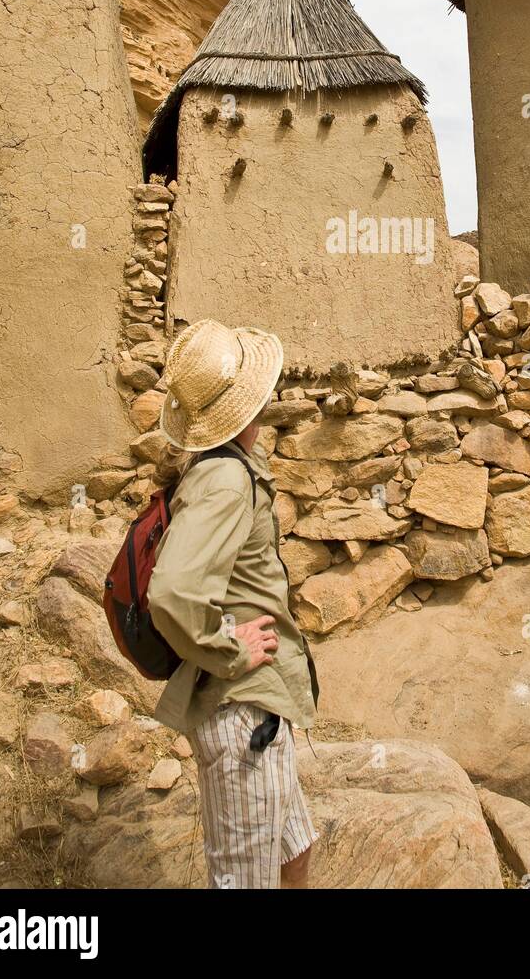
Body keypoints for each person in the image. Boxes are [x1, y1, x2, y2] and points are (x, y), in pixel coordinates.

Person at [147, 317, 320, 890]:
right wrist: (229, 649)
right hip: (242, 715)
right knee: (244, 882)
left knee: (296, 848)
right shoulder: (224, 479)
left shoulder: (230, 466)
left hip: (261, 708)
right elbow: (171, 591)